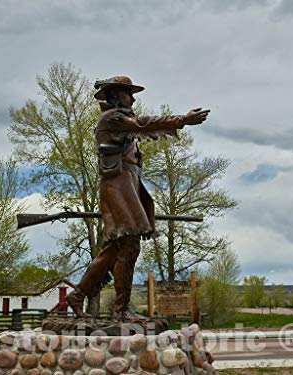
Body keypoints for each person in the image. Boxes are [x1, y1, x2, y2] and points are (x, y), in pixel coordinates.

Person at [66, 76, 209, 320]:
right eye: (128, 94)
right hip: (118, 185)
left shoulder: (122, 123)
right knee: (130, 243)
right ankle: (121, 311)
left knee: (113, 249)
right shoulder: (113, 118)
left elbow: (141, 129)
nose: (132, 99)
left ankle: (78, 295)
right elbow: (143, 123)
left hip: (127, 184)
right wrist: (181, 120)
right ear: (115, 95)